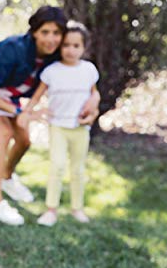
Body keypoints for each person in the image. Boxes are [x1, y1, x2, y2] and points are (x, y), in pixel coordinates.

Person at [0, 6, 99, 225]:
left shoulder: (56, 54)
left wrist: (95, 101)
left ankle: (7, 178)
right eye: (45, 32)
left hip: (9, 90)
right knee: (5, 134)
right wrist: (21, 112)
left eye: (56, 33)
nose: (51, 39)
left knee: (24, 141)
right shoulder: (13, 49)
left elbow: (82, 81)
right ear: (34, 32)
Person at [17, 21, 100, 226]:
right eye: (66, 45)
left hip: (80, 129)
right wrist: (27, 113)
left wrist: (94, 105)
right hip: (57, 127)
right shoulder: (51, 71)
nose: (70, 50)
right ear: (60, 46)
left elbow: (94, 93)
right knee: (57, 166)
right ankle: (51, 210)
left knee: (78, 169)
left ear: (83, 48)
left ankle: (77, 208)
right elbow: (36, 97)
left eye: (76, 46)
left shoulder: (89, 70)